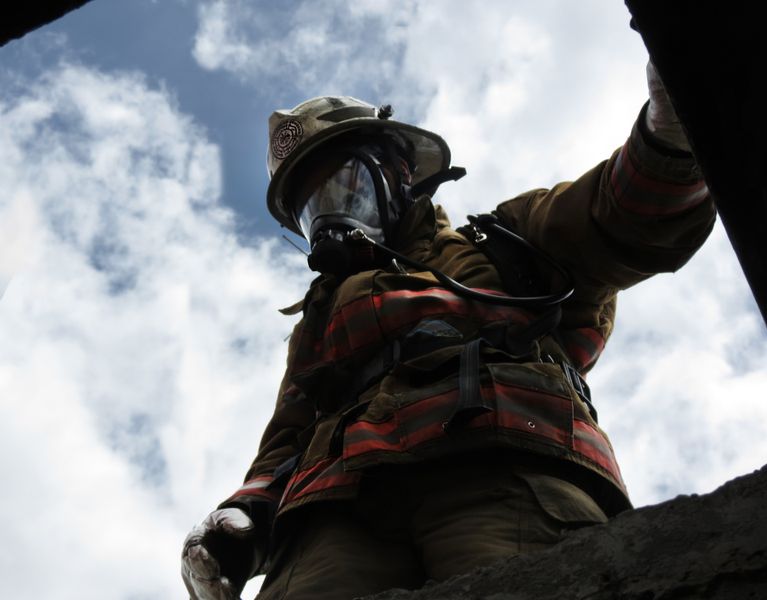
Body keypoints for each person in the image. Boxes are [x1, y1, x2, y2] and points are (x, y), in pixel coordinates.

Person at [181, 60, 715, 600]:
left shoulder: (504, 244)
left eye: (343, 184)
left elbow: (615, 217)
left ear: (398, 173)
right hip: (332, 515)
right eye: (310, 205)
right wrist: (246, 513)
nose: (329, 215)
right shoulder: (321, 320)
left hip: (505, 466)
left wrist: (667, 137)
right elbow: (288, 435)